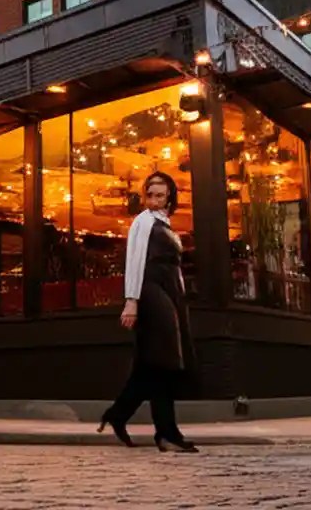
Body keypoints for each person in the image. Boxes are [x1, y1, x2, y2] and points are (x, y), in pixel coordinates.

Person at [97, 171, 198, 453]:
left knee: (153, 366)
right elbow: (135, 260)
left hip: (168, 291)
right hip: (150, 290)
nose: (153, 200)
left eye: (160, 195)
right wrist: (132, 300)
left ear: (170, 197)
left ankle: (118, 415)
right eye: (150, 195)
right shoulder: (143, 221)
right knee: (164, 362)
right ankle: (167, 433)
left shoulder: (164, 222)